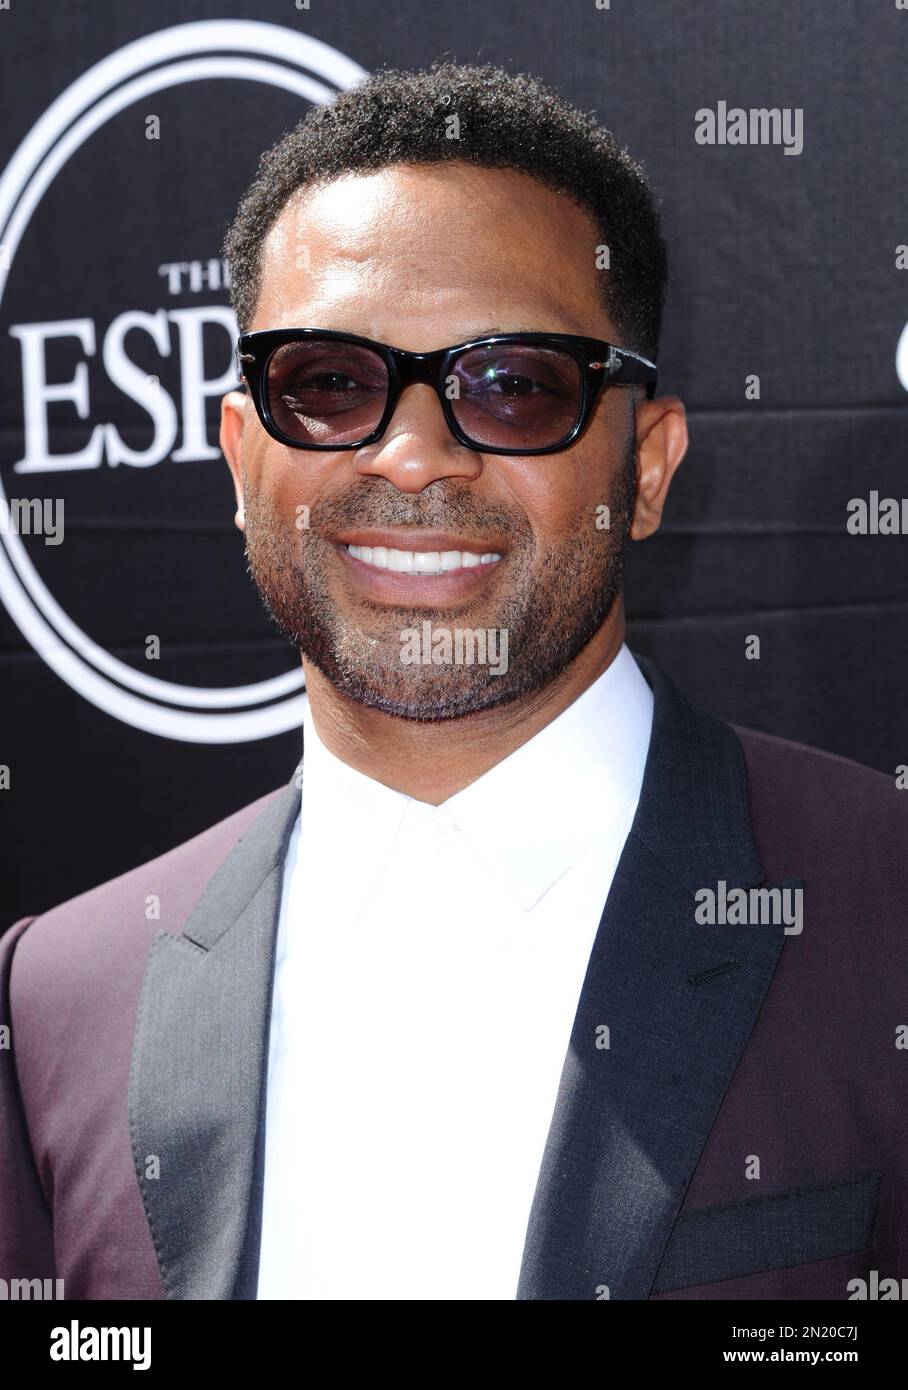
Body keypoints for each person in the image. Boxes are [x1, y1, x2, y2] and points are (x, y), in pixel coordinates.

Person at [1, 63, 904, 1302]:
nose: (414, 456)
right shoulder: (61, 994)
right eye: (327, 382)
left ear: (644, 468)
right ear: (236, 455)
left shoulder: (882, 910)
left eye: (513, 384)